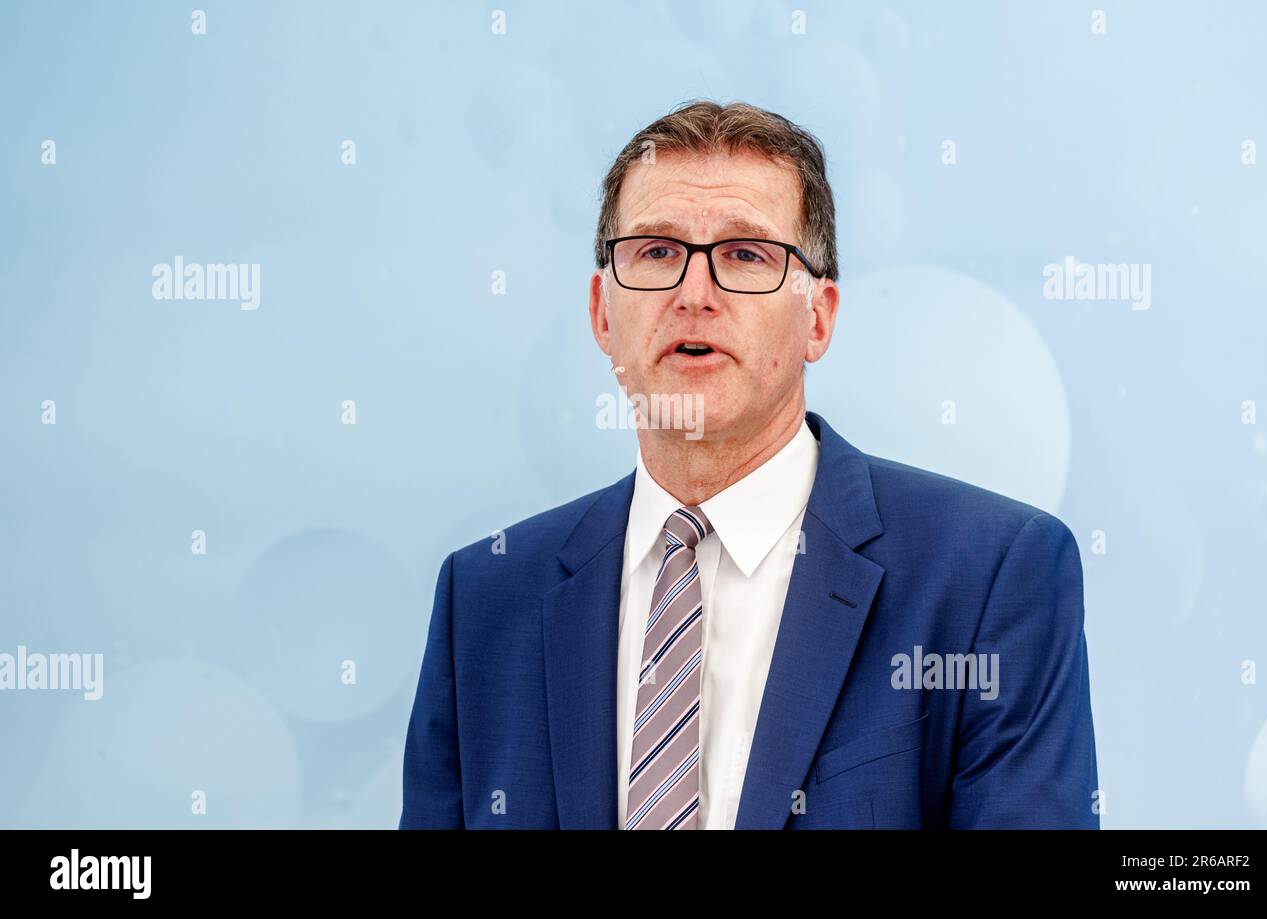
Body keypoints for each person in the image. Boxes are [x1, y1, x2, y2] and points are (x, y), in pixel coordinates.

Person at [399, 100, 1100, 830]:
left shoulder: (989, 575)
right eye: (656, 251)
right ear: (603, 314)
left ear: (819, 317)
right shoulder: (484, 600)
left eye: (745, 255)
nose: (693, 295)